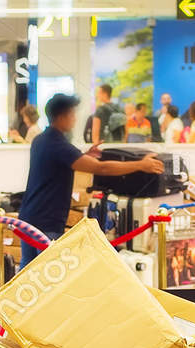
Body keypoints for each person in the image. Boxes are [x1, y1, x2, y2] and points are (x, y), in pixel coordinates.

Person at [16, 93, 167, 263]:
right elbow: (101, 168)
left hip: (29, 216)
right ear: (62, 116)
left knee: (28, 270)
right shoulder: (59, 145)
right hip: (46, 221)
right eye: (72, 114)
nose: (74, 119)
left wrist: (84, 156)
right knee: (47, 271)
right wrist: (141, 165)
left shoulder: (41, 140)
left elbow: (60, 163)